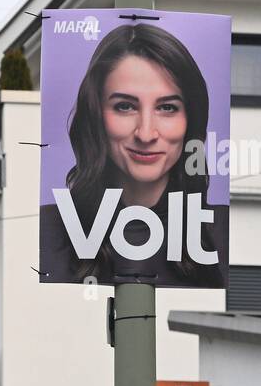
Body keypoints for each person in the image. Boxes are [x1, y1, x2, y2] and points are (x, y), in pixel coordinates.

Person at [40, 22, 228, 287]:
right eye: (125, 106)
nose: (146, 133)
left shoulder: (220, 231)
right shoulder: (49, 230)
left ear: (191, 119)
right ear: (96, 114)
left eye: (167, 108)